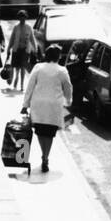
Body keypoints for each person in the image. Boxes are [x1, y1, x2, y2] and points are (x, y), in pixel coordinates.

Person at [22, 44, 73, 173]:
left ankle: (43, 155)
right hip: (53, 107)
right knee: (49, 134)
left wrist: (25, 105)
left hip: (38, 105)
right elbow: (68, 87)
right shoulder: (62, 70)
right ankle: (45, 157)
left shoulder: (38, 67)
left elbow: (30, 87)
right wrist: (68, 101)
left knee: (40, 131)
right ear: (58, 56)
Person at [6, 10, 37, 90]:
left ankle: (22, 85)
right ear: (19, 18)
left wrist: (35, 49)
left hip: (25, 50)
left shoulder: (29, 27)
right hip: (17, 49)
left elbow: (32, 38)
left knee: (23, 67)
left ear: (26, 18)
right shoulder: (16, 27)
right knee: (16, 67)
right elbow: (12, 38)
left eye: (24, 18)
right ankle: (16, 77)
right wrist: (9, 48)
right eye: (21, 18)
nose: (22, 20)